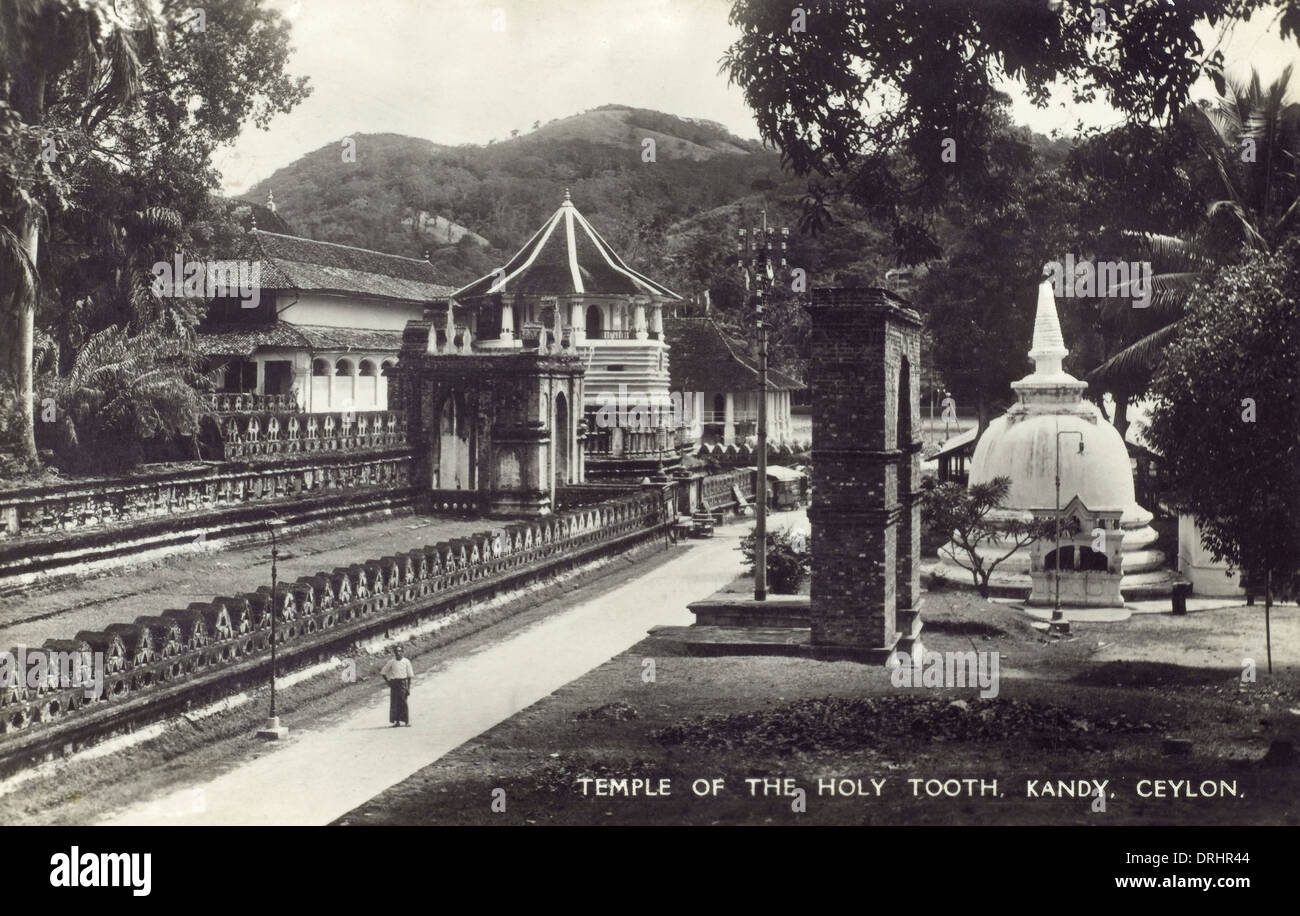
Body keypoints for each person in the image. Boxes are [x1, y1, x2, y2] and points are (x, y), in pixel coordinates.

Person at [380, 645, 414, 727]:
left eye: (399, 651)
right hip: (394, 684)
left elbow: (409, 676)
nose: (398, 653)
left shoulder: (406, 661)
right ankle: (397, 722)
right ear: (394, 653)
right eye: (396, 651)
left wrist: (408, 688)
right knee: (395, 703)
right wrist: (389, 683)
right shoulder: (391, 662)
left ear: (402, 652)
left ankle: (406, 722)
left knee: (404, 703)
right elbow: (383, 672)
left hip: (403, 683)